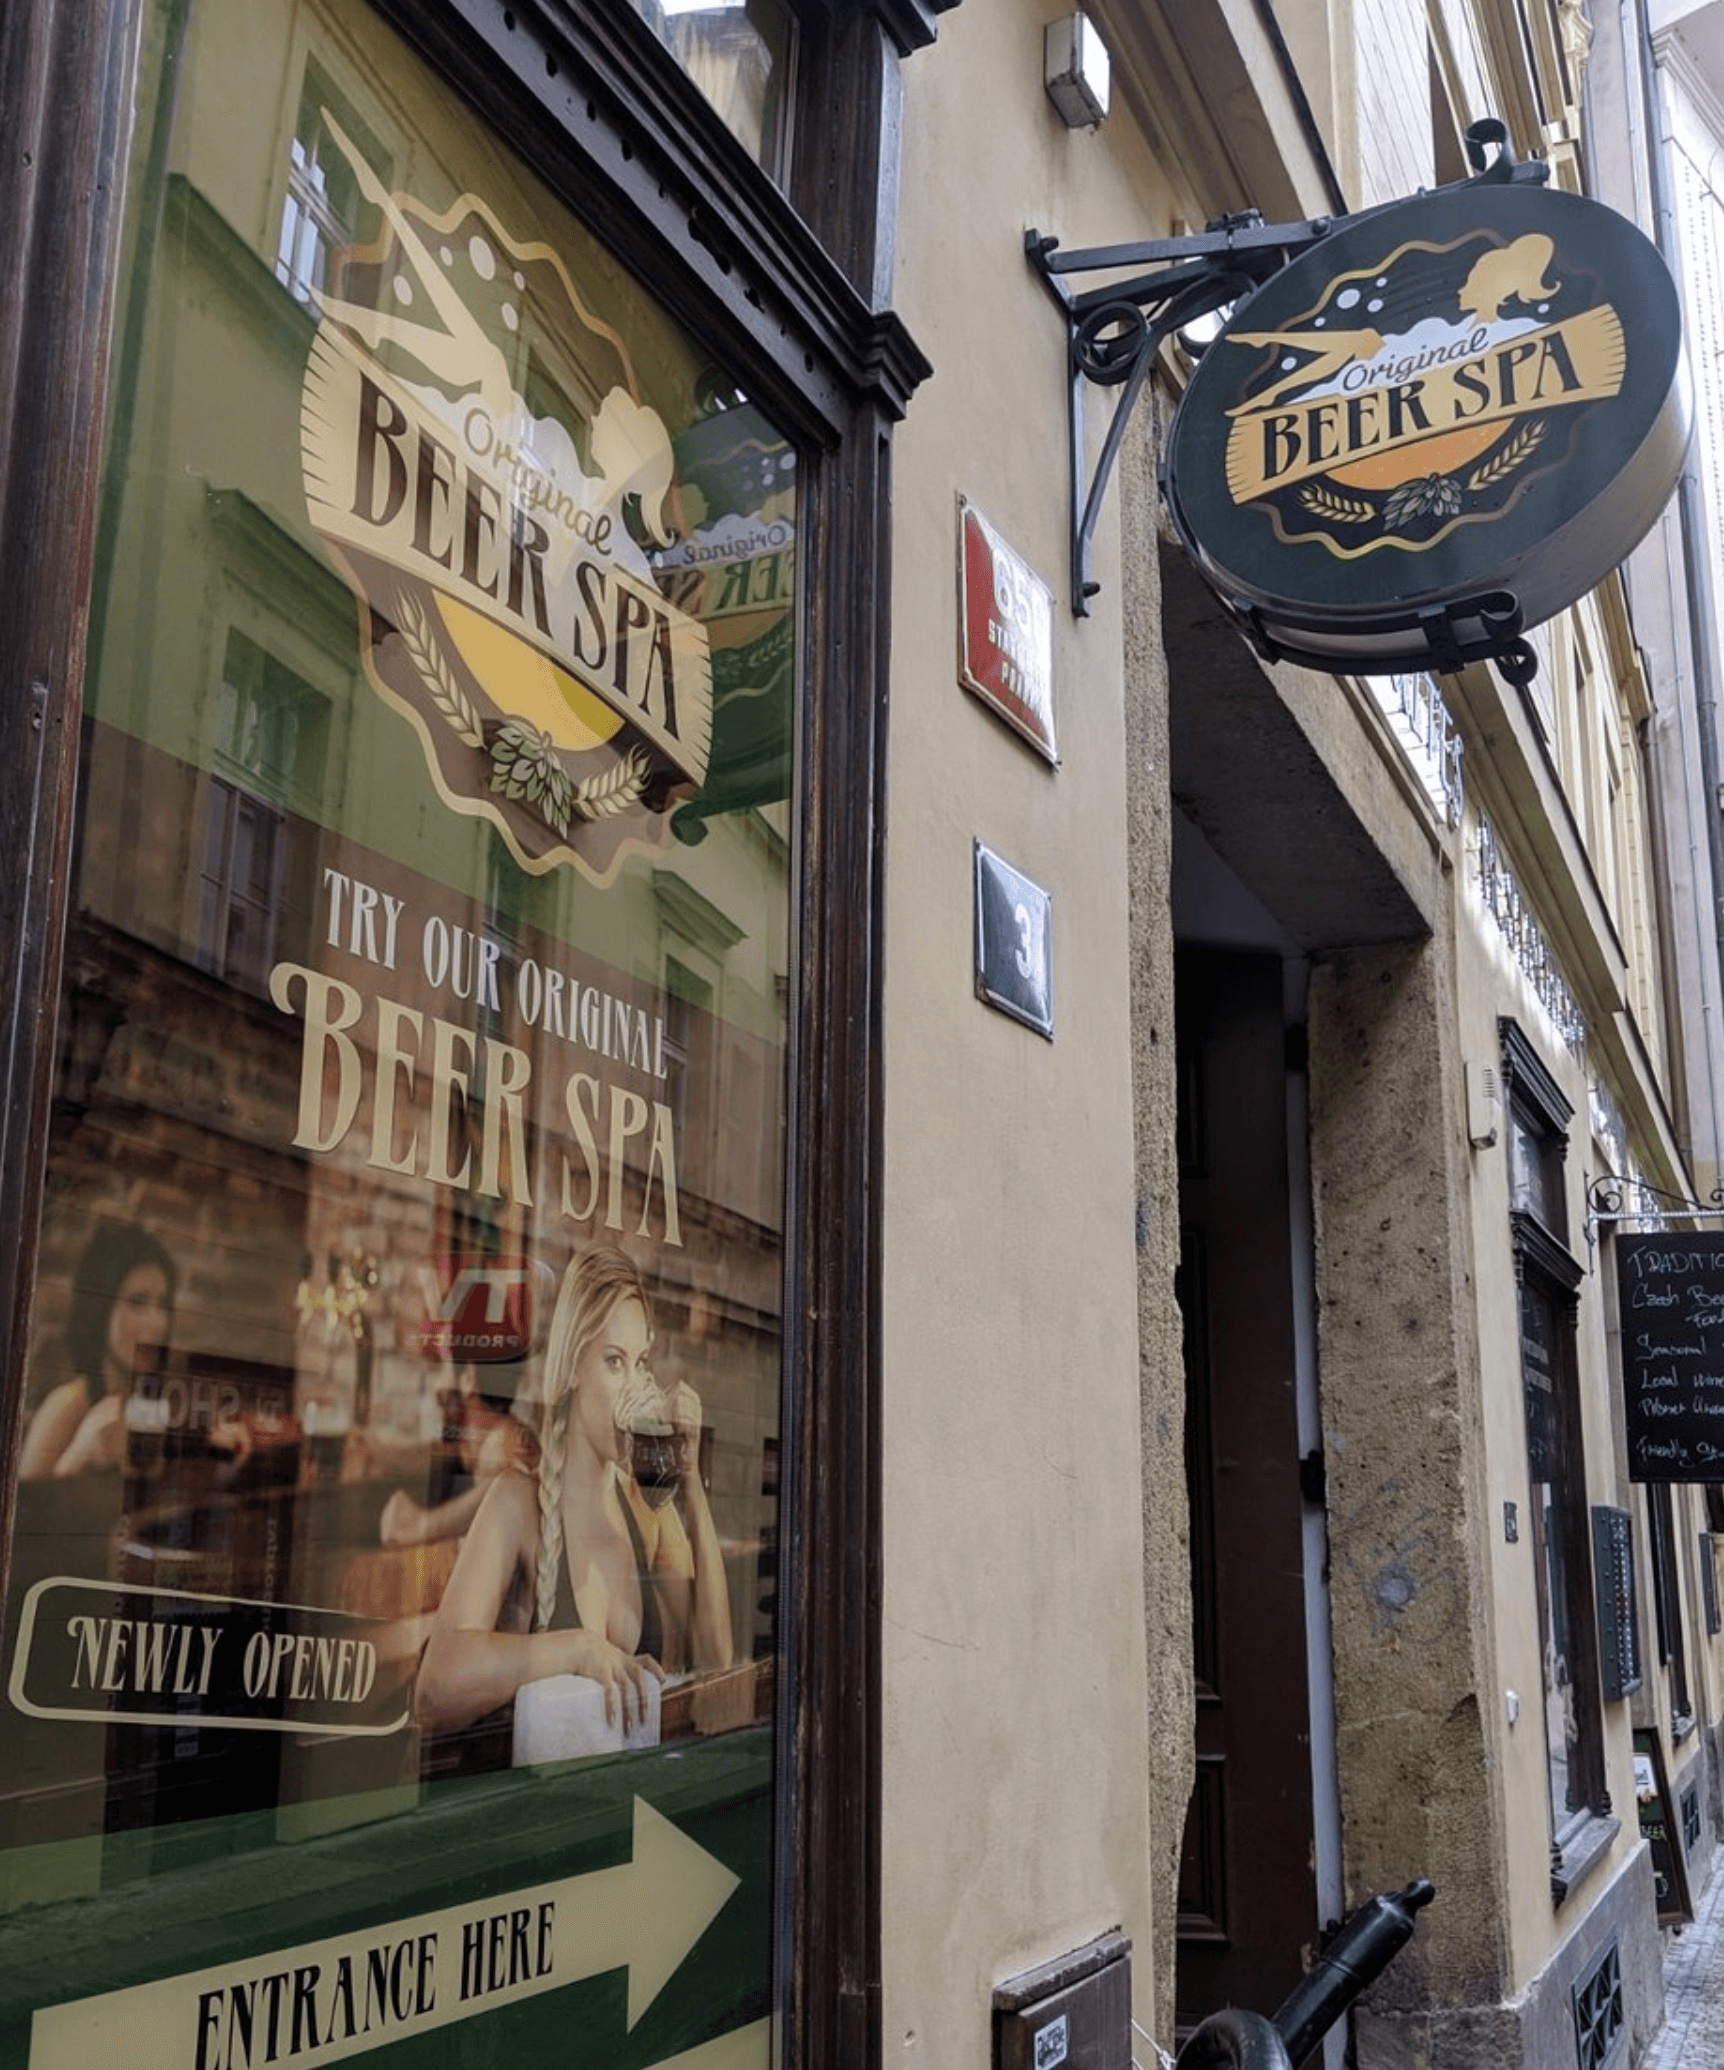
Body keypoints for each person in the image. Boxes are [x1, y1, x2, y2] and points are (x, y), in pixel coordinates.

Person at [415, 1245, 732, 1737]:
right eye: (614, 1361)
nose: (634, 1385)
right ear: (573, 1368)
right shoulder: (519, 1501)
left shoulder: (644, 1509)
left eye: (640, 1362)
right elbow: (435, 1687)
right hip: (541, 1806)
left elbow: (718, 1664)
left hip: (622, 1802)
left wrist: (689, 1477)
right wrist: (579, 1649)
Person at [19, 1220, 176, 1480]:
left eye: (163, 1304)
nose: (157, 1321)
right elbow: (27, 1512)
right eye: (137, 1302)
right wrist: (77, 1457)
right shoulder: (67, 1404)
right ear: (100, 1311)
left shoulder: (153, 1405)